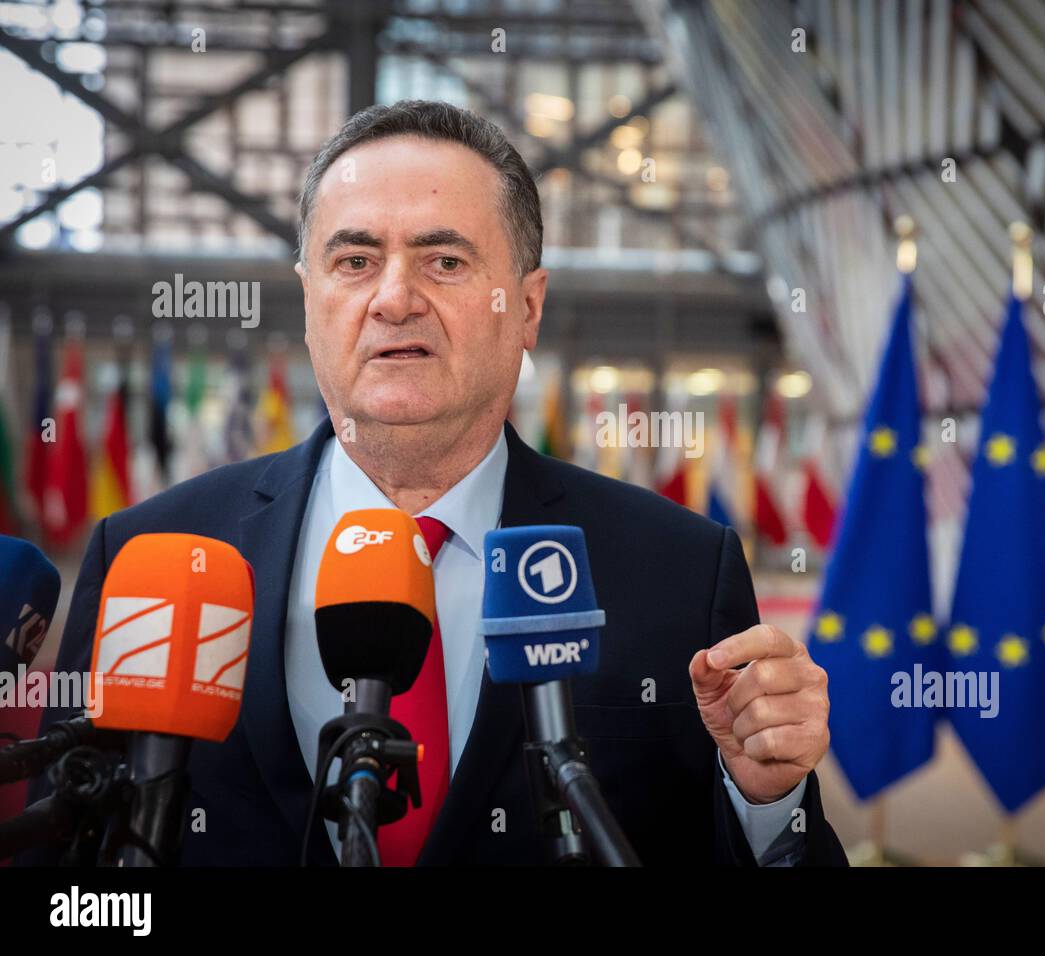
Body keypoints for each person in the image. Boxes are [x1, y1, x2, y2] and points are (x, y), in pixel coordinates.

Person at [29, 100, 846, 866]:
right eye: (353, 261)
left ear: (526, 307)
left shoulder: (677, 572)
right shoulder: (151, 557)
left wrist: (767, 798)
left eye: (444, 259)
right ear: (309, 300)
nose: (393, 299)